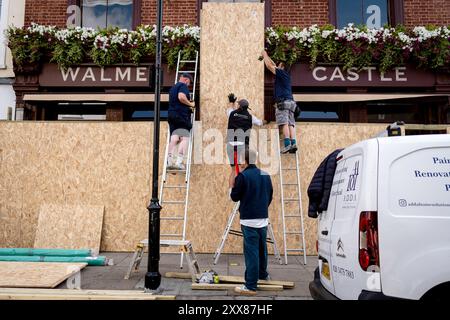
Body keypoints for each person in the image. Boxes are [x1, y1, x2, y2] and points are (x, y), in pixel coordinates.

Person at [230, 149, 273, 296]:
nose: (240, 162)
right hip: (263, 218)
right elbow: (269, 196)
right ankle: (263, 275)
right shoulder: (265, 175)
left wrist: (232, 187)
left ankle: (250, 285)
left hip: (249, 220)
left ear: (247, 161)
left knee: (252, 253)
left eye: (241, 159)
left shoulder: (242, 176)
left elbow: (235, 197)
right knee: (262, 249)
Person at [261, 49, 298, 154]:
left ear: (282, 67)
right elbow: (272, 64)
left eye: (279, 65)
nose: (277, 66)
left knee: (284, 123)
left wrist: (264, 55)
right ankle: (293, 143)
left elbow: (269, 66)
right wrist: (268, 57)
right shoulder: (285, 76)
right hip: (291, 103)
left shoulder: (281, 73)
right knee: (291, 124)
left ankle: (287, 144)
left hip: (283, 102)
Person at [226, 94, 264, 186]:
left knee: (234, 170)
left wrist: (232, 102)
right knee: (243, 168)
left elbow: (230, 110)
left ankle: (231, 191)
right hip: (242, 145)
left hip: (231, 144)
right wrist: (266, 121)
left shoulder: (232, 113)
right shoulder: (250, 117)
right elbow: (260, 123)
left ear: (239, 106)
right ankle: (241, 190)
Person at [167, 72, 195, 170]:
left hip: (171, 116)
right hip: (181, 116)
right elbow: (181, 97)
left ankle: (169, 162)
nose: (188, 85)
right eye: (189, 83)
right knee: (184, 138)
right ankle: (179, 162)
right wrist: (191, 104)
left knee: (174, 139)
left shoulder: (173, 88)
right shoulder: (183, 85)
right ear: (186, 80)